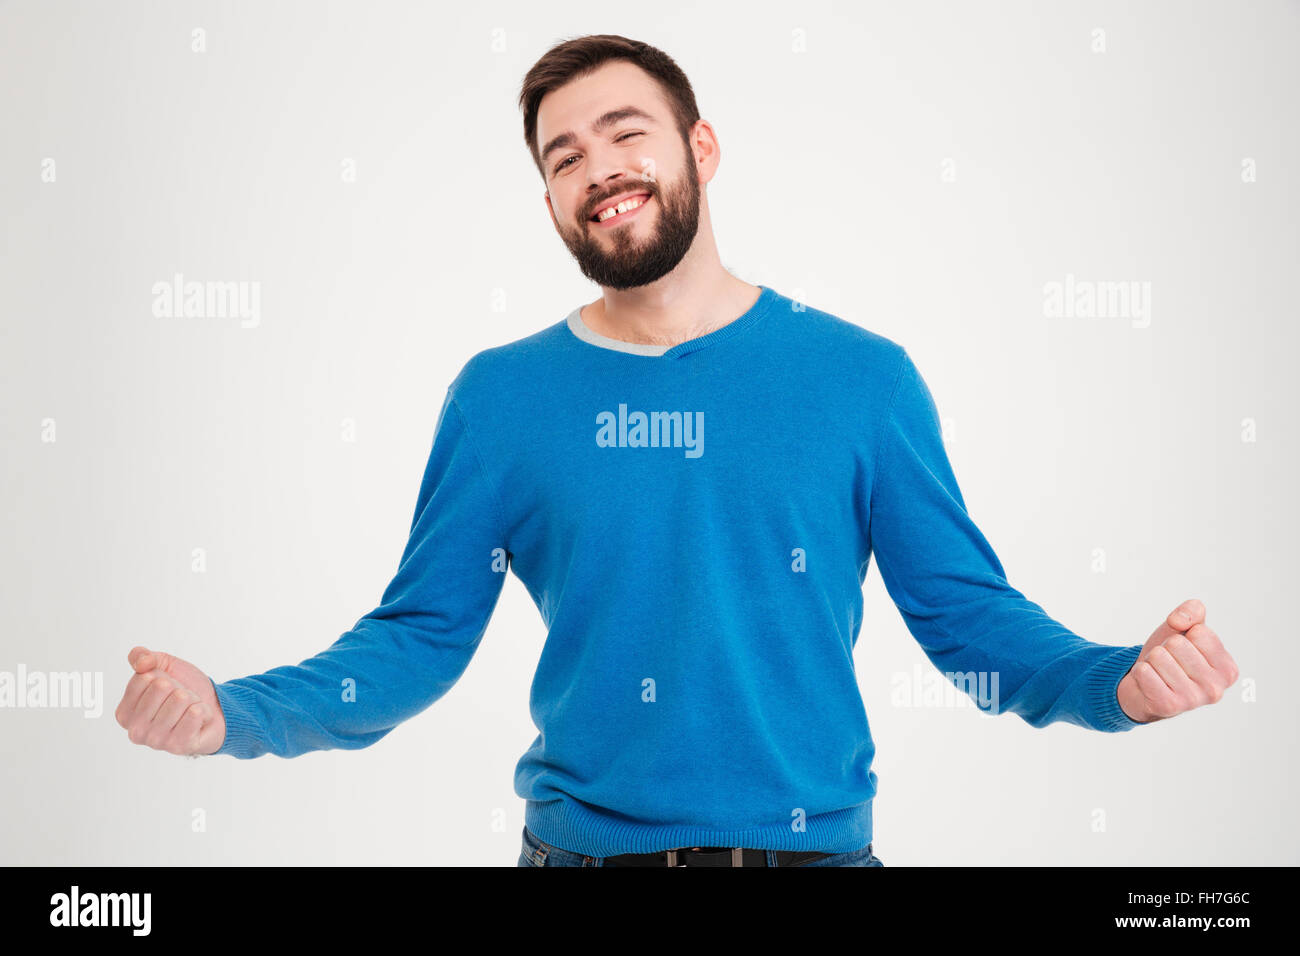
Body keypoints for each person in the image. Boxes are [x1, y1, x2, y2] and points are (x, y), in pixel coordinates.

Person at [115, 34, 1239, 867]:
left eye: (623, 132)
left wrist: (1114, 683)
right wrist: (234, 711)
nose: (596, 167)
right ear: (551, 199)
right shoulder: (500, 397)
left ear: (699, 146)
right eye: (563, 156)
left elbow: (967, 620)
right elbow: (416, 637)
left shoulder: (861, 378)